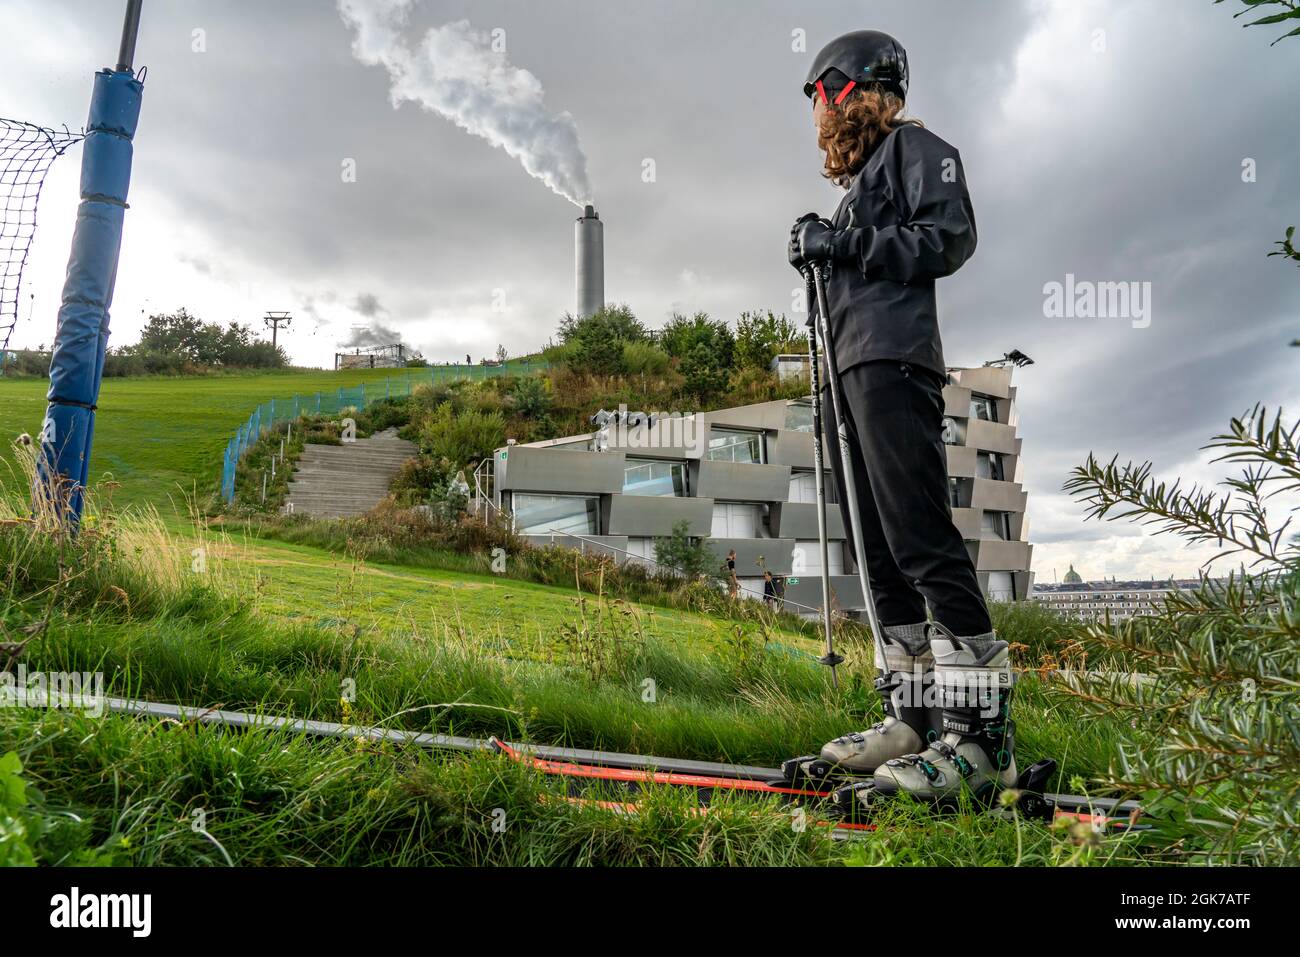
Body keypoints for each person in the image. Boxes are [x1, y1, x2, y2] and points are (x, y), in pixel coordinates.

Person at [788, 30, 1015, 801]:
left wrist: (845, 242)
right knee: (876, 548)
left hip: (894, 362)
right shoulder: (859, 186)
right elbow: (860, 249)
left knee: (920, 538)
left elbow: (951, 237)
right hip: (848, 368)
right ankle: (911, 718)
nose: (820, 108)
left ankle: (980, 738)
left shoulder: (920, 150)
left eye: (827, 91)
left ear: (862, 87)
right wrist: (824, 247)